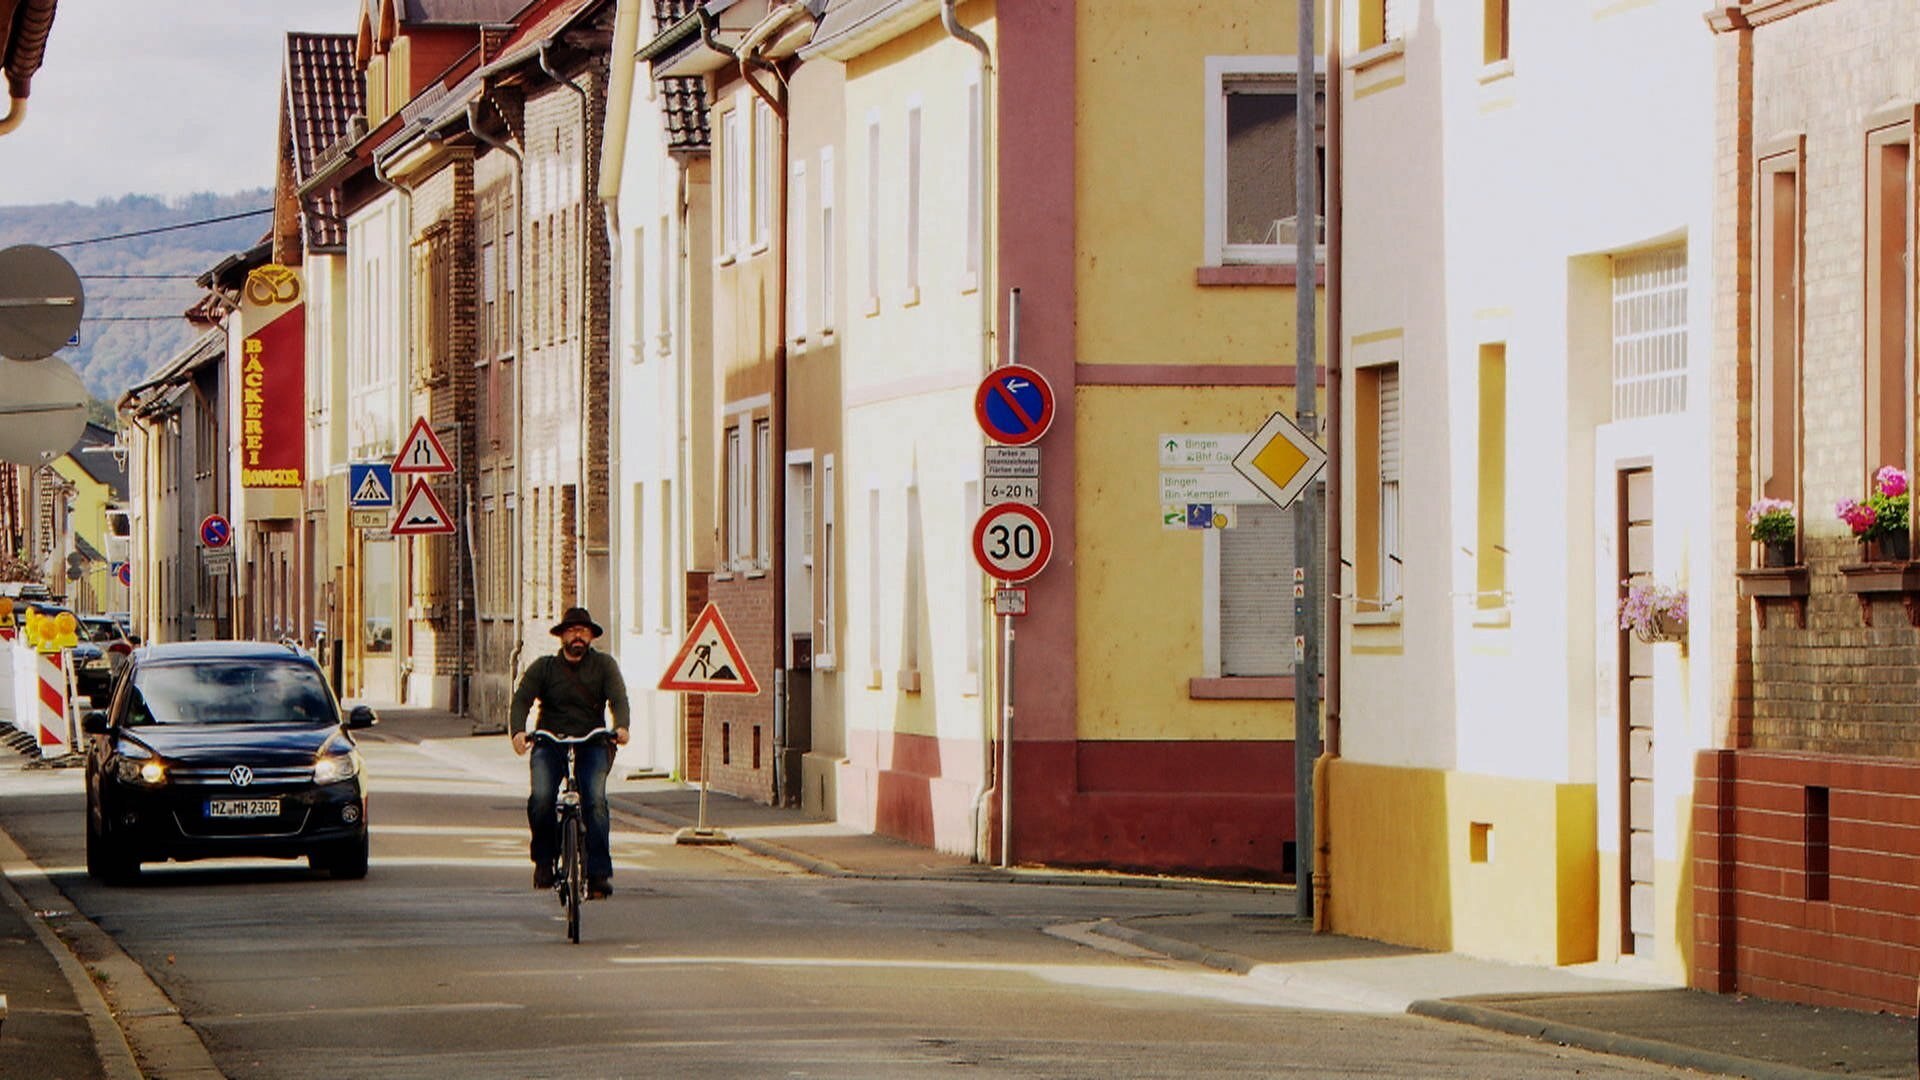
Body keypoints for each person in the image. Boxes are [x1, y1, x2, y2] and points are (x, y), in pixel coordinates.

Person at [510, 606, 631, 899]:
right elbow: (522, 699)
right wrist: (517, 731)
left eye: (583, 631)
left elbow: (618, 698)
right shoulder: (545, 668)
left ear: (590, 636)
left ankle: (598, 874)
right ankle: (543, 862)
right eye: (572, 630)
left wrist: (622, 726)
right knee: (541, 798)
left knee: (596, 801)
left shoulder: (604, 666)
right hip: (551, 740)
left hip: (592, 741)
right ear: (562, 636)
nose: (578, 636)